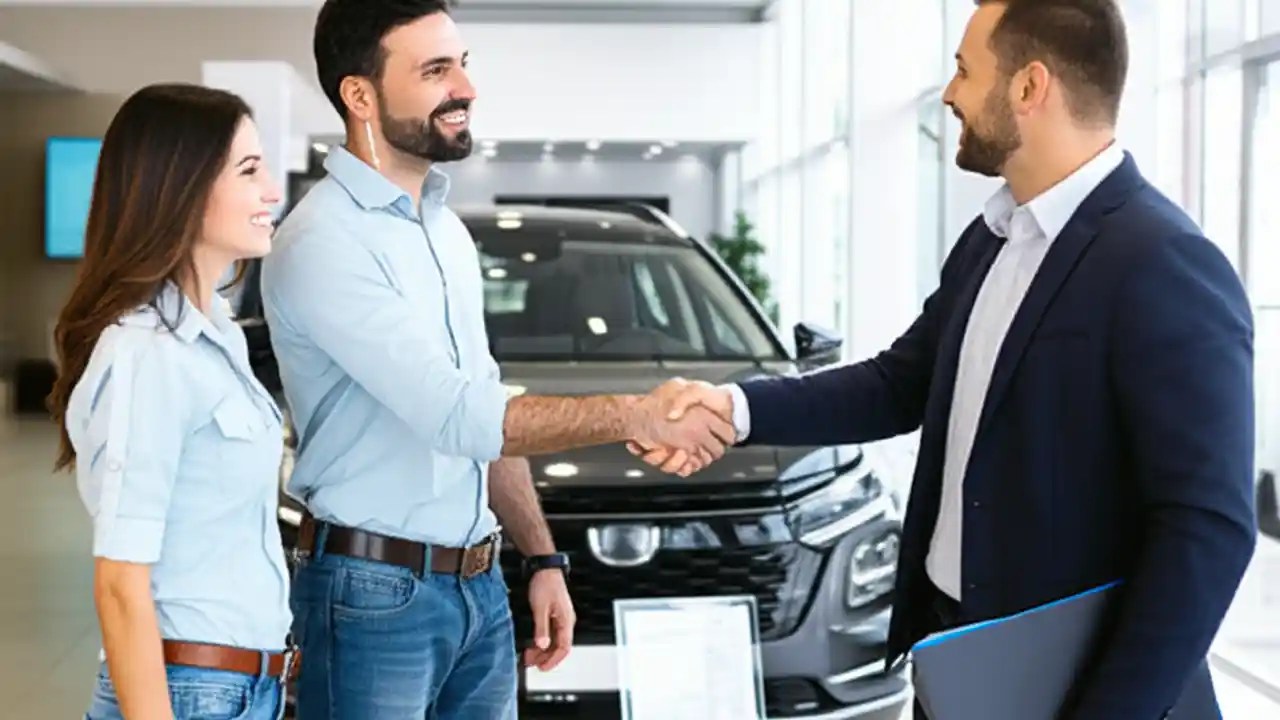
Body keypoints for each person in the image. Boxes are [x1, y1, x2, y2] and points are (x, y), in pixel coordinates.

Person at [640, 1, 1258, 718]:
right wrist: (734, 408)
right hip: (959, 661)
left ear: (1029, 86)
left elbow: (1206, 529)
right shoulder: (992, 239)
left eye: (965, 70)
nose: (949, 93)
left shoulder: (1163, 261)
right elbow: (898, 383)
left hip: (1071, 686)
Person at [260, 1, 732, 717]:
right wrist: (638, 414)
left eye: (463, 64)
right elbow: (460, 417)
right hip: (372, 594)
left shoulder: (444, 232)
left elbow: (484, 399)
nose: (466, 88)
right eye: (435, 71)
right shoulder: (323, 241)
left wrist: (540, 557)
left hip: (479, 586)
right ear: (360, 95)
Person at [47, 84, 296, 720]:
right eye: (249, 170)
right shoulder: (148, 353)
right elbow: (120, 584)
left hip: (240, 687)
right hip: (190, 691)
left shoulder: (215, 333)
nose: (272, 191)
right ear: (181, 188)